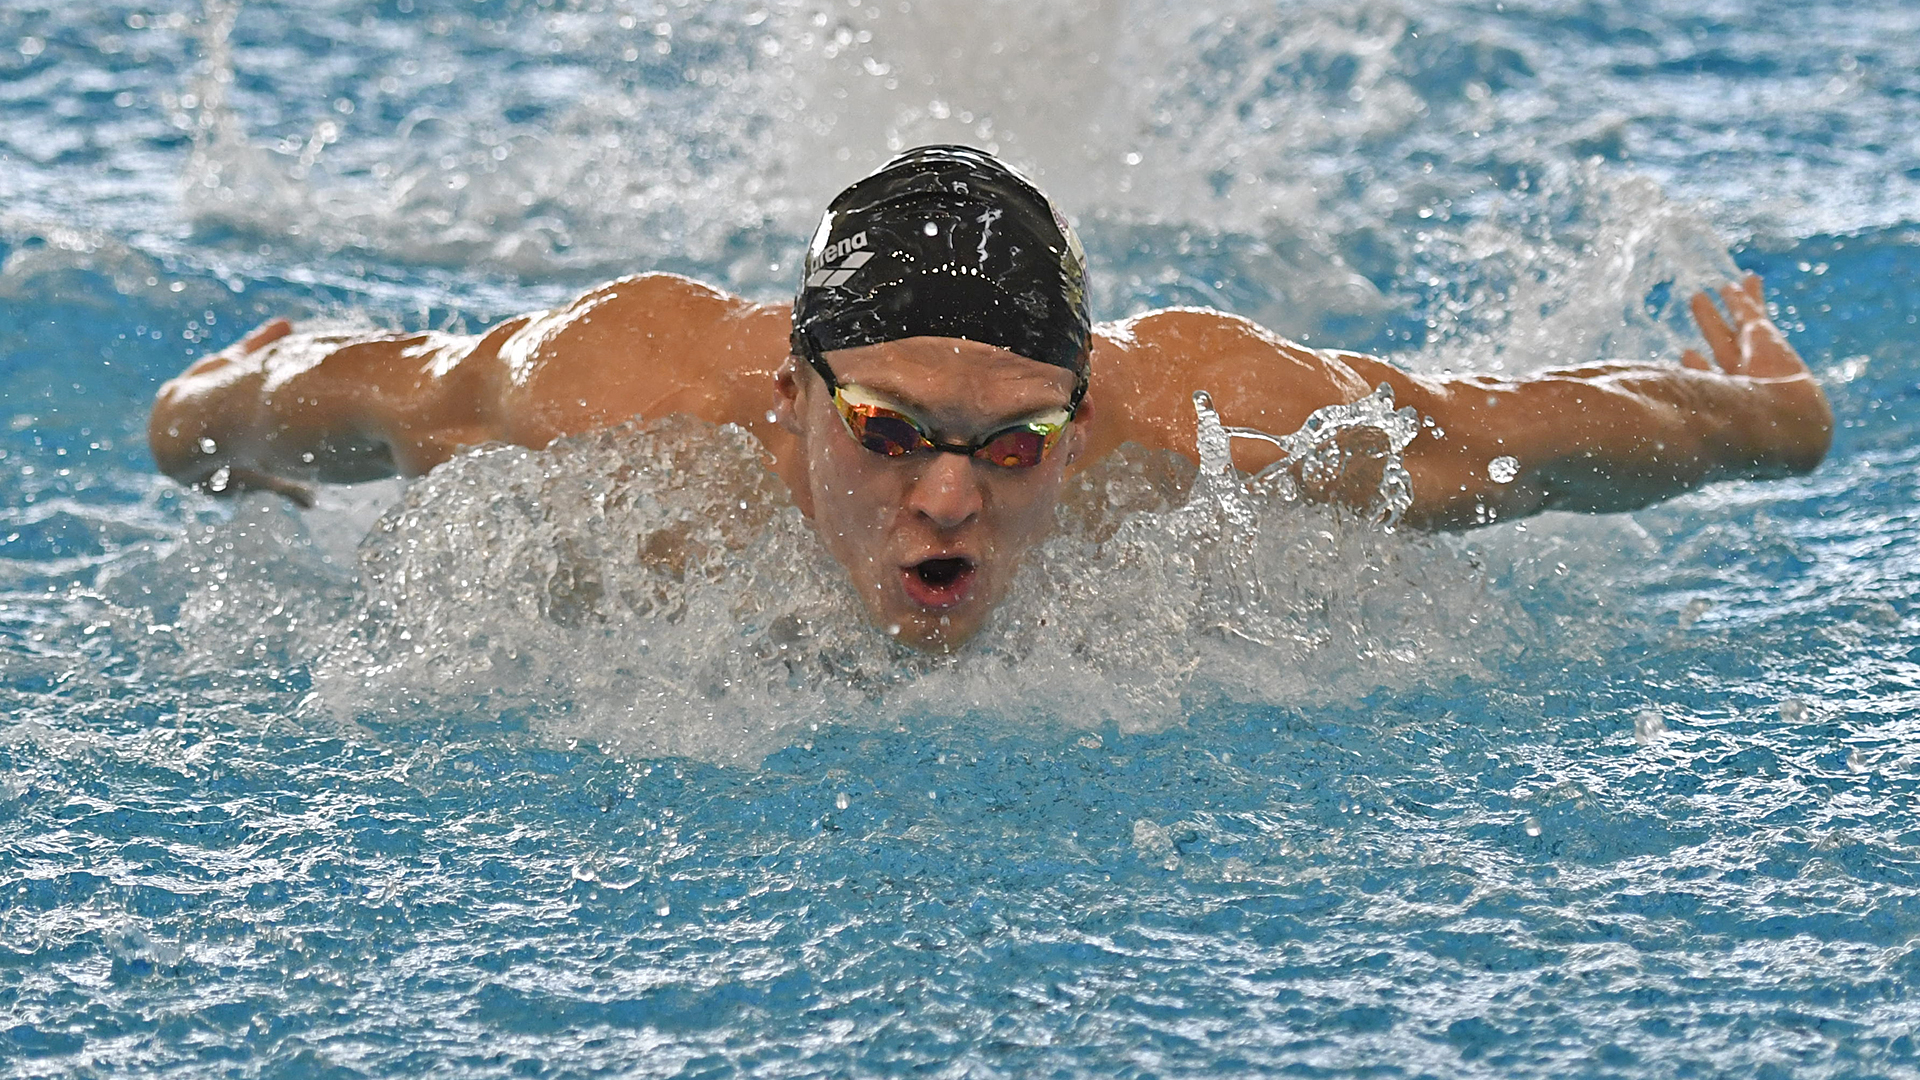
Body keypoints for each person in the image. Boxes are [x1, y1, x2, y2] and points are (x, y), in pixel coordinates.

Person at [149, 145, 1832, 653]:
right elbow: (309, 390)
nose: (946, 500)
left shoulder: (1215, 418)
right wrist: (211, 430)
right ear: (796, 396)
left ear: (1085, 421)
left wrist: (1770, 414)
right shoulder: (613, 392)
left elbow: (1523, 435)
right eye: (884, 432)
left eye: (1012, 444)